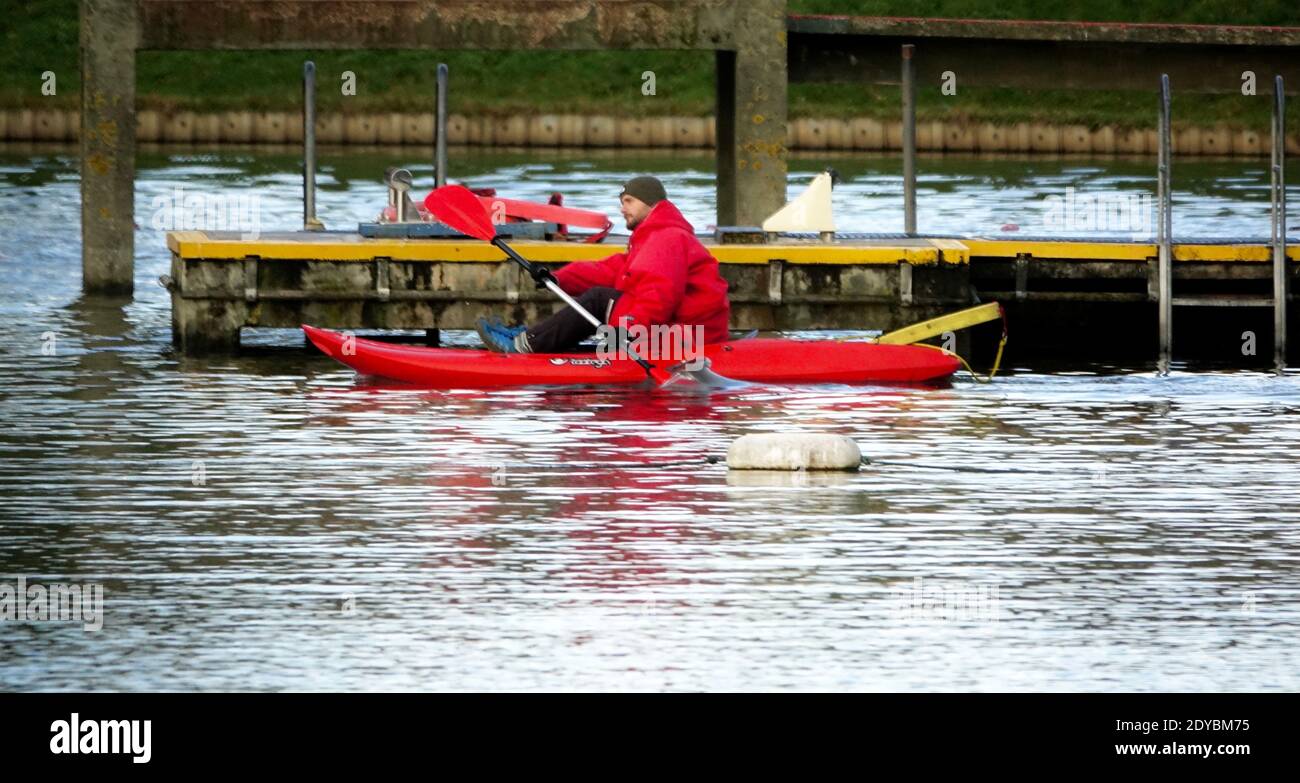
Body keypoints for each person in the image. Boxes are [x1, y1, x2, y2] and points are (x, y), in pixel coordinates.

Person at [475, 176, 730, 358]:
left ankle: (525, 346)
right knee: (600, 294)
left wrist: (628, 332)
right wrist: (558, 279)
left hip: (689, 337)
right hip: (678, 330)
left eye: (629, 201)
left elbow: (659, 294)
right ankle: (533, 338)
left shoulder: (666, 238)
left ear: (652, 205)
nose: (622, 209)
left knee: (599, 300)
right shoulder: (656, 235)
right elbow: (611, 271)